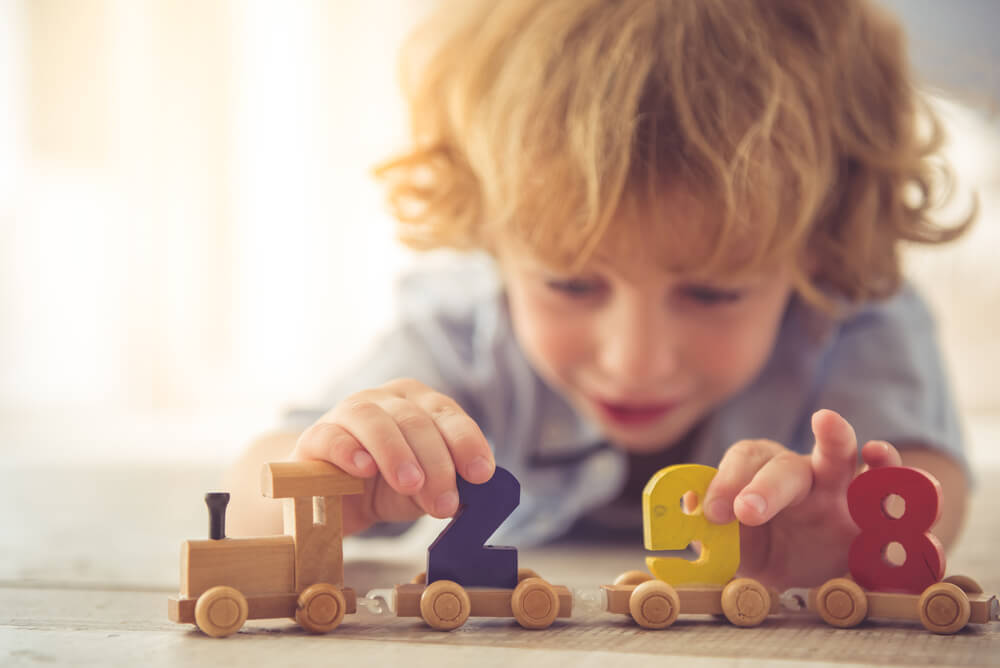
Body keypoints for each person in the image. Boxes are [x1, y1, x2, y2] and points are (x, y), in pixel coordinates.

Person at [224, 0, 975, 589]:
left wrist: (849, 533)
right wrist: (328, 479)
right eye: (571, 283)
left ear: (820, 245)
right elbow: (254, 493)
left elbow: (926, 484)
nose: (635, 360)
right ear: (491, 234)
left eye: (712, 293)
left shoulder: (851, 313)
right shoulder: (464, 331)